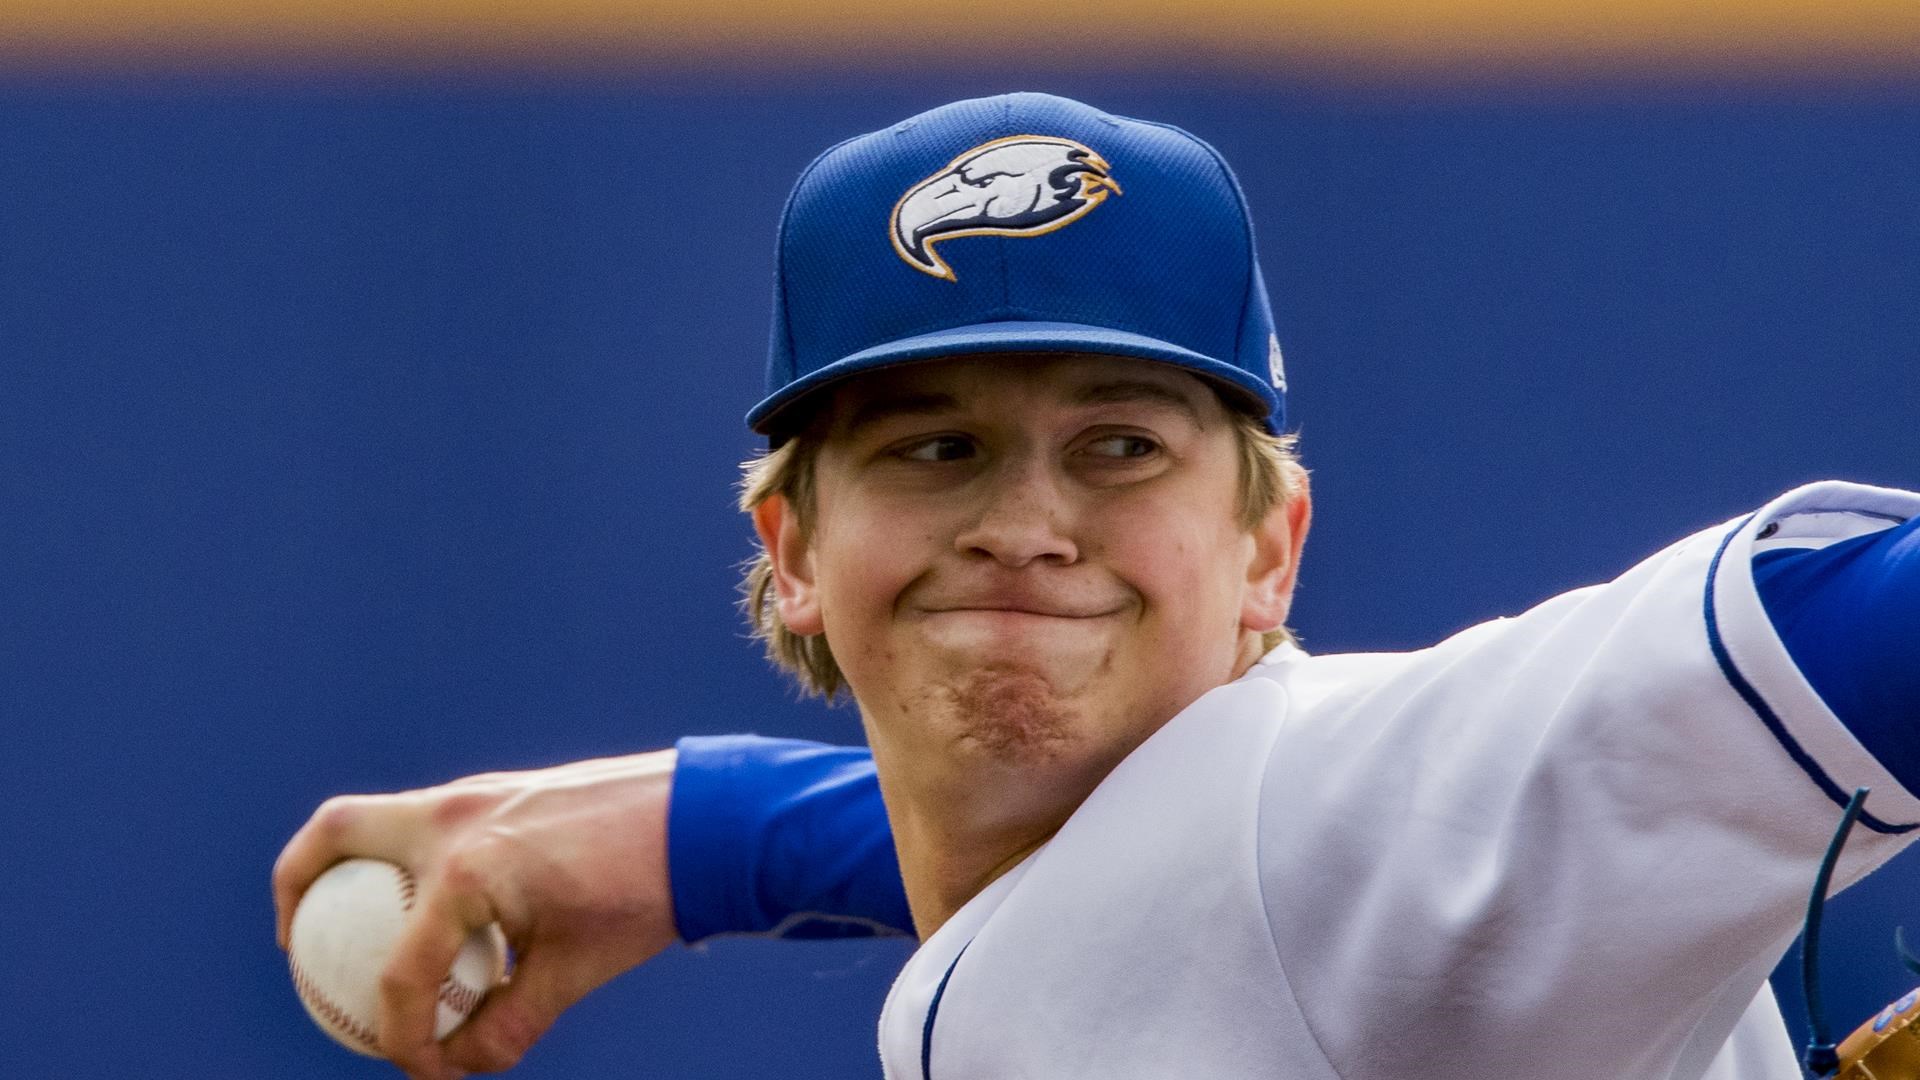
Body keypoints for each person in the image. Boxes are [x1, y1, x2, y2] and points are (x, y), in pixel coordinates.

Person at [273, 92, 1920, 1080]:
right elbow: (1120, 872)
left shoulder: (1320, 824)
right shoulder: (1237, 869)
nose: (1024, 523)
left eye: (1121, 448)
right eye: (935, 448)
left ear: (1270, 551)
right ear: (792, 556)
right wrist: (690, 841)